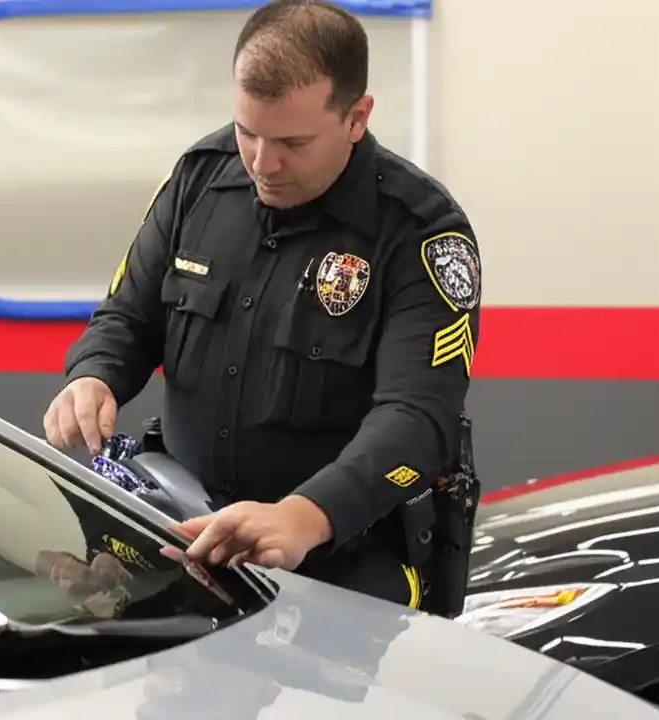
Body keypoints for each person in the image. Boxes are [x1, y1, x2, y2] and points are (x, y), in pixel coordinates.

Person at [43, 0, 482, 610]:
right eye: (247, 132)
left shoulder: (420, 233)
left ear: (356, 117)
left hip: (339, 561)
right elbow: (126, 317)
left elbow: (419, 419)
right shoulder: (201, 180)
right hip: (185, 535)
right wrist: (94, 375)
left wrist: (306, 515)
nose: (261, 163)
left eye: (293, 143)